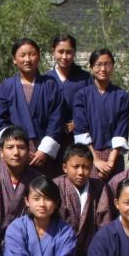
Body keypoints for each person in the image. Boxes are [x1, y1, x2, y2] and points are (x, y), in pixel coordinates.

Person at [0, 38, 63, 174]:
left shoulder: (50, 85)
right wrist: (15, 146)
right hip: (13, 151)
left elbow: (56, 120)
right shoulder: (6, 86)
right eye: (22, 55)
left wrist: (44, 150)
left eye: (32, 54)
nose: (27, 59)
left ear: (39, 56)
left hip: (40, 153)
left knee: (40, 192)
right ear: (14, 59)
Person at [0, 126, 42, 256]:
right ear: (1, 152)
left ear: (29, 151)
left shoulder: (38, 181)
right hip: (0, 247)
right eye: (10, 147)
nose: (16, 152)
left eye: (21, 147)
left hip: (35, 247)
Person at [52, 143, 114, 256]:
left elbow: (104, 223)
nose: (81, 172)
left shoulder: (100, 187)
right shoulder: (55, 186)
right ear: (65, 167)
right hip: (58, 252)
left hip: (90, 253)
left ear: (91, 168)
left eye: (86, 167)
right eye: (76, 166)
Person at [73, 48, 129, 180]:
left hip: (114, 157)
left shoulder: (121, 96)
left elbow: (121, 129)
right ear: (92, 67)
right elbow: (81, 129)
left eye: (107, 64)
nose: (103, 69)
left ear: (113, 67)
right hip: (89, 156)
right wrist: (96, 160)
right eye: (98, 64)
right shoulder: (82, 95)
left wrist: (110, 161)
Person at [46, 34, 92, 166]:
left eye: (69, 52)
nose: (64, 57)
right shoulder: (46, 79)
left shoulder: (85, 79)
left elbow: (91, 108)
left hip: (77, 138)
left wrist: (77, 122)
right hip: (51, 139)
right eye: (60, 52)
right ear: (53, 51)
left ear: (74, 53)